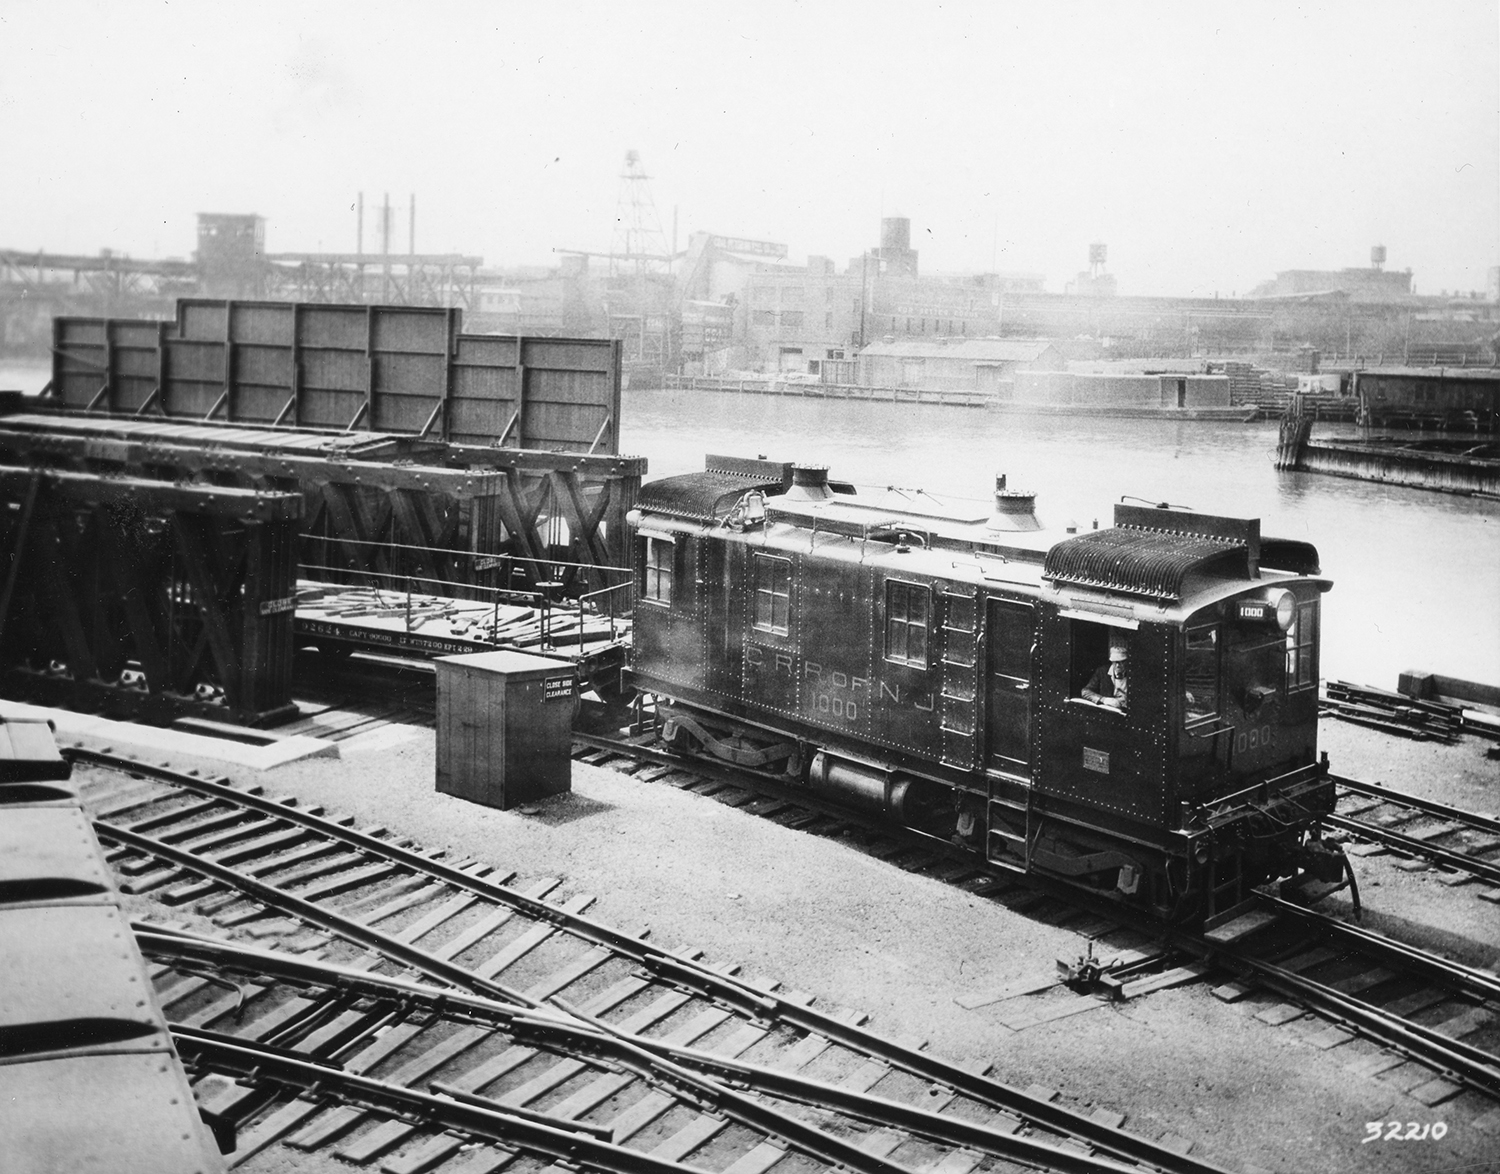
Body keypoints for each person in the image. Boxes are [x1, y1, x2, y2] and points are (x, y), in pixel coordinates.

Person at [1082, 641, 1128, 710]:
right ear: (1111, 661)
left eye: (1122, 662)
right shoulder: (1102, 672)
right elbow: (1085, 691)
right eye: (1115, 662)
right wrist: (1104, 699)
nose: (1118, 665)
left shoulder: (1133, 674)